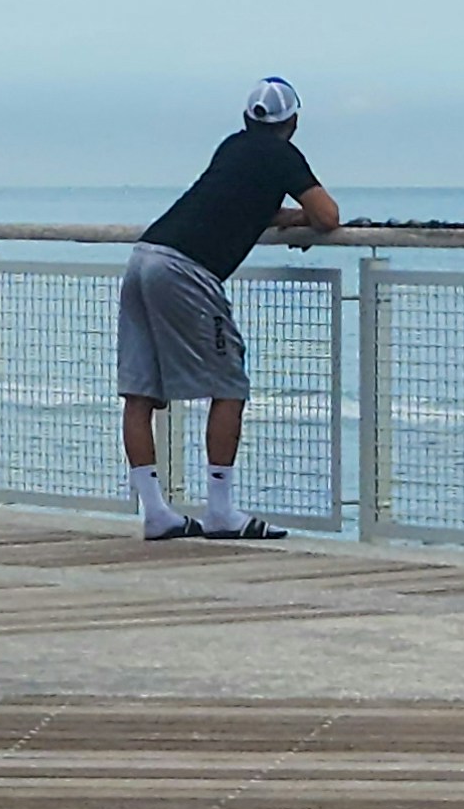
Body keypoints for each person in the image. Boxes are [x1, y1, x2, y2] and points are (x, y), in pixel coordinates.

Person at [114, 73, 340, 544]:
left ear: (246, 118)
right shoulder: (283, 156)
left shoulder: (232, 147)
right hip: (186, 270)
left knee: (139, 390)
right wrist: (305, 221)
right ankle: (219, 511)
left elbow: (242, 206)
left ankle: (156, 513)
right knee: (230, 384)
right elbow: (328, 216)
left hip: (144, 256)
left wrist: (289, 218)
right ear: (293, 121)